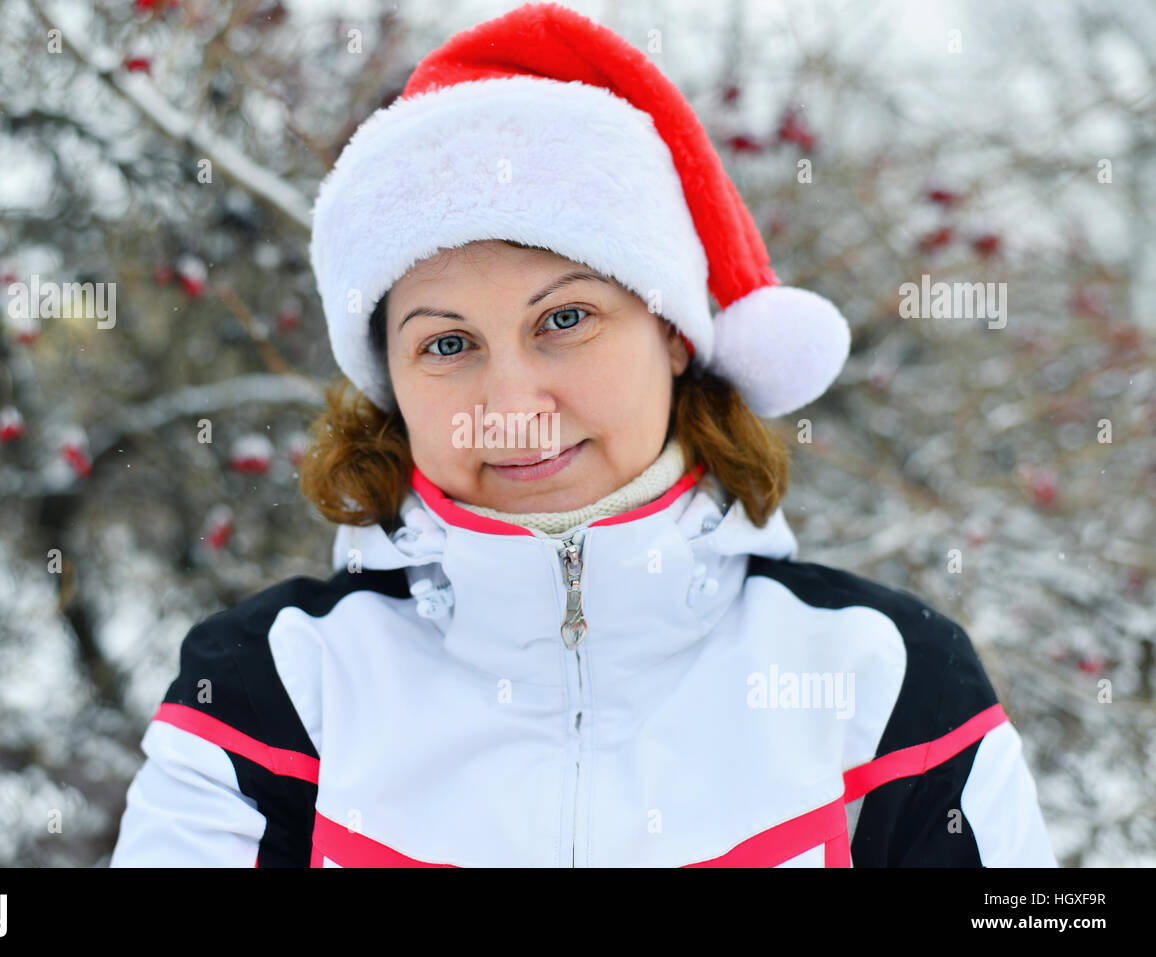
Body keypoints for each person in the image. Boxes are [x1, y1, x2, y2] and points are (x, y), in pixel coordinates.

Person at [110, 2, 1056, 867]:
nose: (511, 398)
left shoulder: (886, 681)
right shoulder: (269, 688)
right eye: (447, 343)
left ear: (676, 333)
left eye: (565, 319)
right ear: (389, 381)